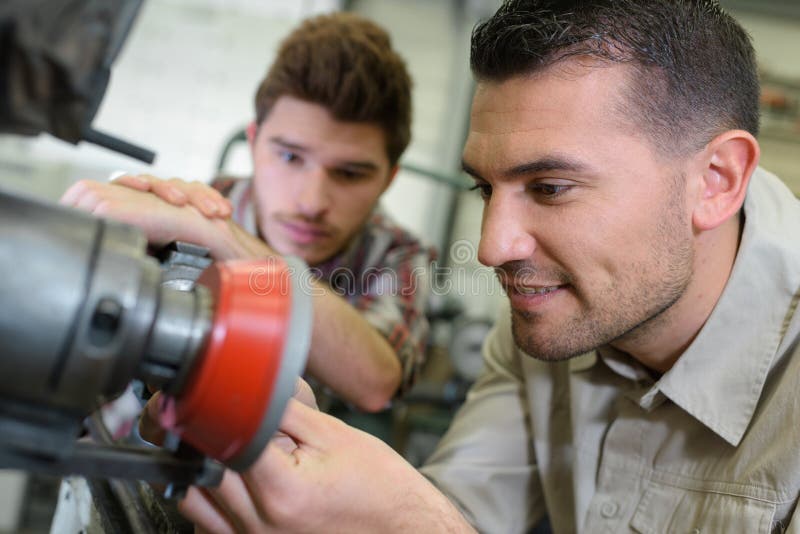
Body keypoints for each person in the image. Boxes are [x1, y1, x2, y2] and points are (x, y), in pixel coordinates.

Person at [163, 0, 800, 532]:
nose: (493, 247)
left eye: (550, 187)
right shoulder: (547, 325)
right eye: (484, 190)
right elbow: (463, 513)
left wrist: (407, 516)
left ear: (715, 181)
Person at [61, 12, 434, 414]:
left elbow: (375, 381)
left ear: (388, 178)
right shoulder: (196, 205)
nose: (311, 202)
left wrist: (224, 240)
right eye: (290, 156)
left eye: (350, 173)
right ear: (254, 143)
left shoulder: (397, 255)